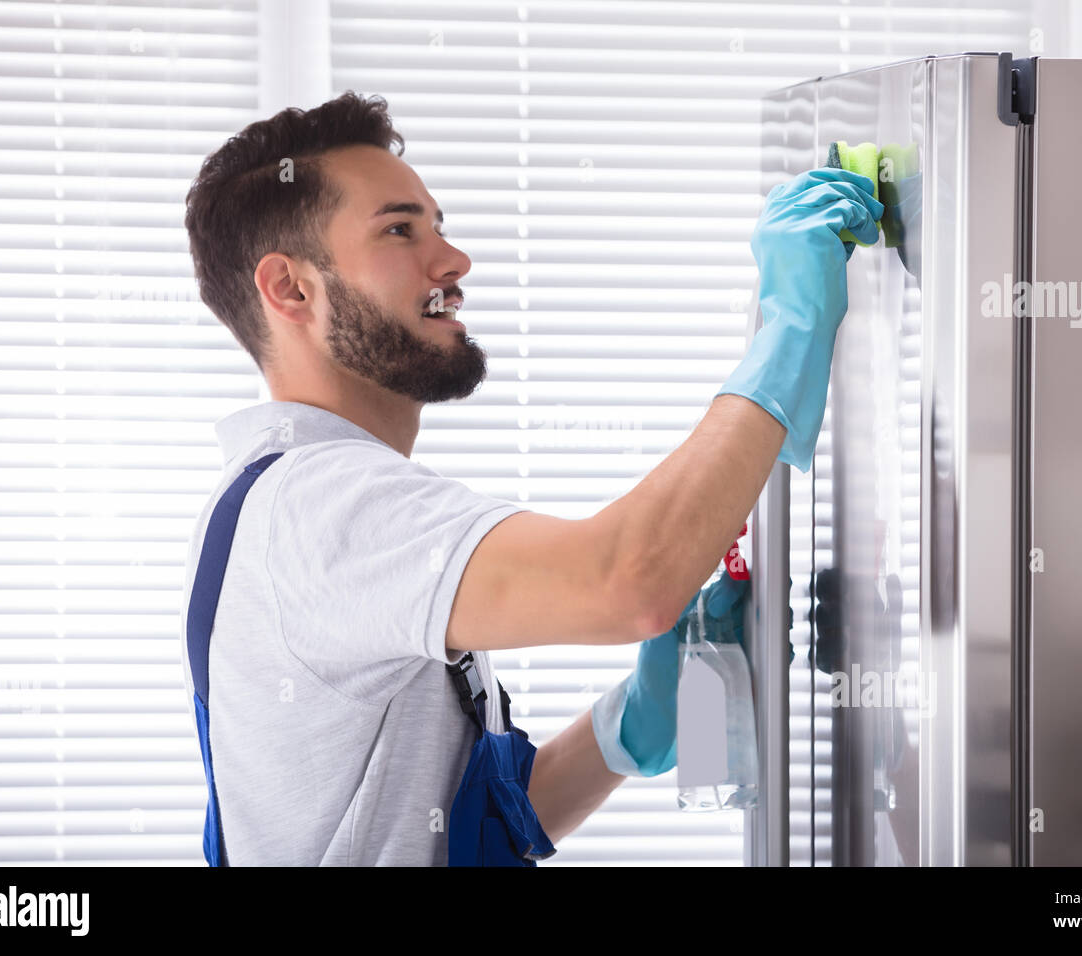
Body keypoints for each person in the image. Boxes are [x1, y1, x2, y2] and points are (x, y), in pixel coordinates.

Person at [179, 91, 882, 866]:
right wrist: (790, 331)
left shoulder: (291, 501)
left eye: (438, 226)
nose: (453, 261)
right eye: (400, 230)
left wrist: (632, 727)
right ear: (291, 289)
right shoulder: (318, 504)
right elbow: (627, 581)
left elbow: (470, 820)